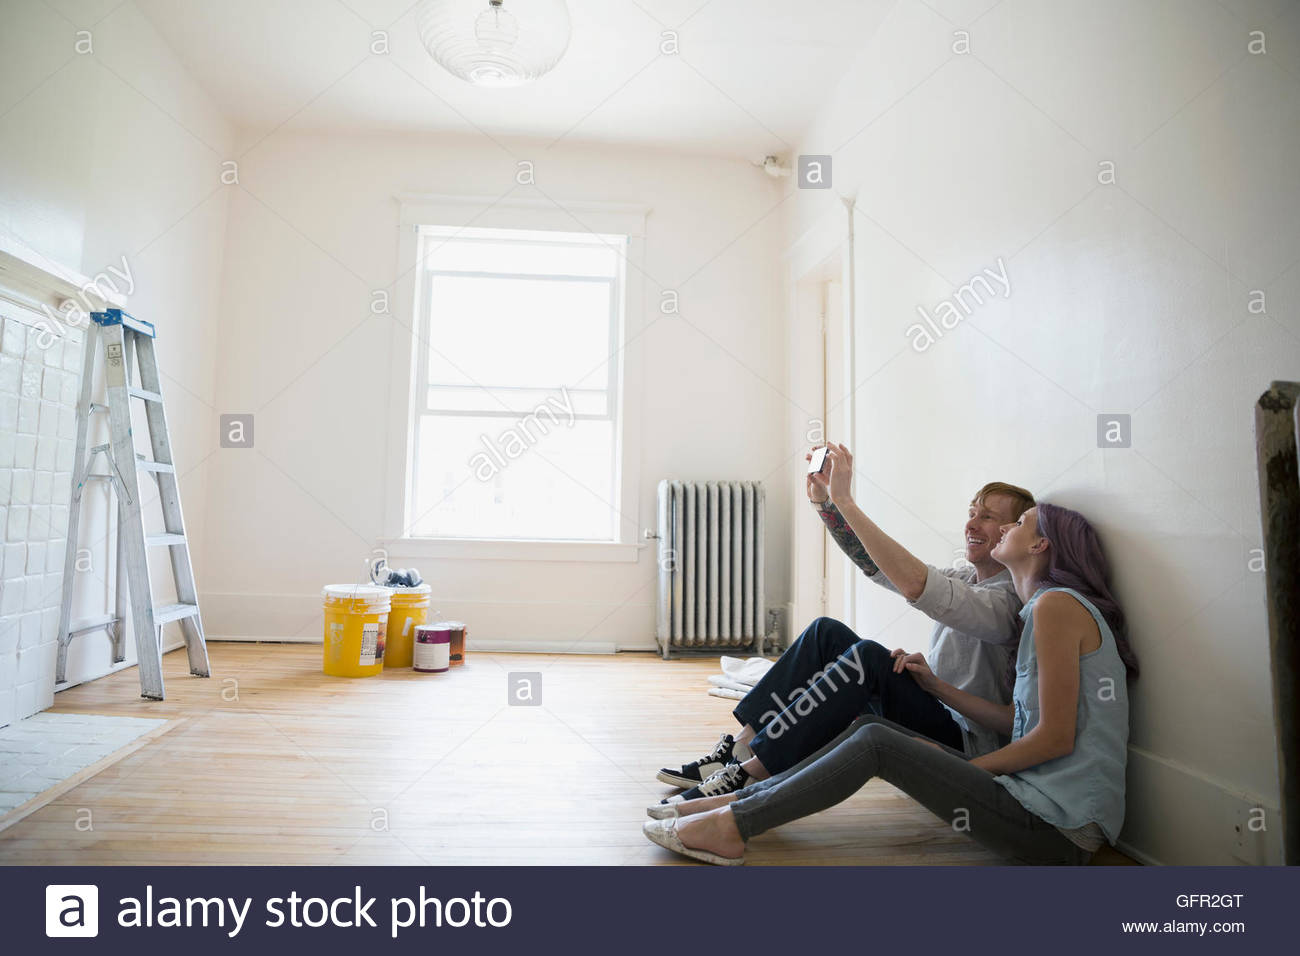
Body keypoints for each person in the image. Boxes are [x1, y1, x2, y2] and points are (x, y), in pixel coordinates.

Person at [643, 502, 1139, 865]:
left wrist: (969, 765)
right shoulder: (1043, 608)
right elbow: (1021, 722)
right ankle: (738, 791)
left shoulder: (1048, 607)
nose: (998, 525)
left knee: (875, 732)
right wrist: (937, 686)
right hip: (1035, 805)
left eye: (1015, 521)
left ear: (1040, 545)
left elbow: (1054, 738)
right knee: (856, 700)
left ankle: (735, 821)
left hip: (1058, 827)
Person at [657, 444, 1034, 800]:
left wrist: (845, 501)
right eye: (972, 512)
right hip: (934, 706)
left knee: (868, 657)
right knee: (826, 633)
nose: (972, 523)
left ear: (1014, 531)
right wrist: (824, 505)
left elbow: (916, 583)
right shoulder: (966, 578)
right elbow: (876, 566)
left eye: (988, 516)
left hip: (964, 739)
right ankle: (737, 751)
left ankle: (752, 772)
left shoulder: (1006, 603)